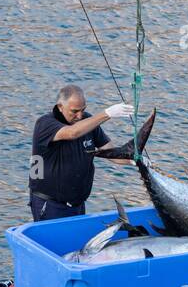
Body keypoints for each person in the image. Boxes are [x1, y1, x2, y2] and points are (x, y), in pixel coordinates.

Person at [28, 85, 132, 221]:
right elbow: (72, 133)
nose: (80, 115)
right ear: (60, 107)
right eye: (74, 111)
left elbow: (110, 152)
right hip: (50, 204)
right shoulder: (44, 123)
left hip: (77, 203)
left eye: (83, 110)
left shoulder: (87, 121)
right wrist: (108, 113)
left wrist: (134, 159)